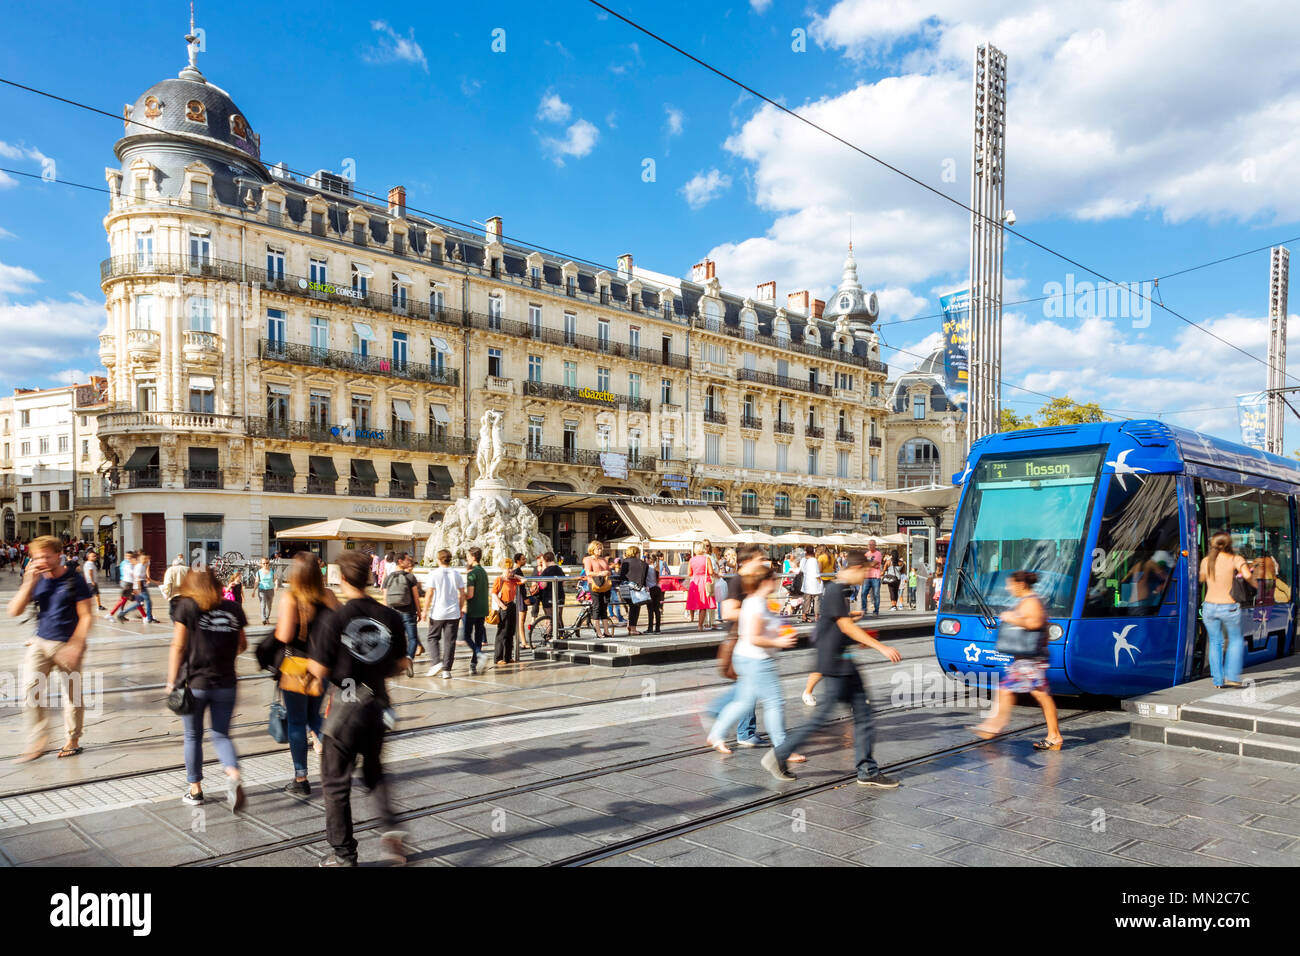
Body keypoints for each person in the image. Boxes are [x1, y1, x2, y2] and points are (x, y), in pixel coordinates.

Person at [307, 549, 410, 867]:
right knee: (375, 772)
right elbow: (401, 664)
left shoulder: (334, 618)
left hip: (343, 711)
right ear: (369, 577)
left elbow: (319, 670)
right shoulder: (390, 617)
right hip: (377, 706)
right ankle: (391, 830)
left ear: (340, 577)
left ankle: (343, 855)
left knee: (336, 784)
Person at [764, 551, 903, 785]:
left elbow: (840, 626)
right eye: (865, 572)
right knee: (822, 719)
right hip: (836, 664)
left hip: (843, 662)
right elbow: (844, 626)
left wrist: (853, 628)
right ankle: (779, 755)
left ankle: (867, 770)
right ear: (856, 569)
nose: (866, 577)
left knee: (864, 715)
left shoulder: (840, 591)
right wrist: (880, 646)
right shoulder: (836, 590)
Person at [8, 536, 94, 762]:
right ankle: (39, 739)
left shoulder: (75, 580)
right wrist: (29, 582)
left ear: (59, 554)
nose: (42, 560)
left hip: (68, 644)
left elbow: (86, 616)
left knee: (72, 694)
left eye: (47, 556)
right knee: (30, 690)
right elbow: (14, 611)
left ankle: (73, 740)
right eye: (37, 557)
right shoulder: (36, 579)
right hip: (39, 642)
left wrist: (76, 645)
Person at [168, 568, 247, 809]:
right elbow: (242, 644)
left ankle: (195, 790)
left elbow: (178, 646)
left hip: (195, 683)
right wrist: (220, 656)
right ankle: (233, 774)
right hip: (226, 683)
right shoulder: (233, 608)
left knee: (193, 736)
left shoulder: (187, 606)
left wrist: (171, 681)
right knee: (221, 735)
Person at [706, 566, 803, 756]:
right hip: (758, 660)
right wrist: (778, 640)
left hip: (746, 657)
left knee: (743, 702)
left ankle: (716, 734)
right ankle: (783, 750)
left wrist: (779, 630)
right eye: (774, 579)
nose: (776, 582)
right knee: (775, 702)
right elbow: (753, 637)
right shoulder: (757, 604)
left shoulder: (756, 601)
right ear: (765, 582)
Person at [971, 570, 1063, 750]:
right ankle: (1053, 736)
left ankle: (994, 726)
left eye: (1010, 584)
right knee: (1036, 695)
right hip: (1027, 659)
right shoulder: (1028, 600)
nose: (1008, 588)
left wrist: (1012, 618)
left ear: (1021, 585)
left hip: (1030, 660)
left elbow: (1035, 623)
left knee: (1011, 690)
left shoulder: (1032, 601)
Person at [272, 552, 338, 795]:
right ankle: (338, 764)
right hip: (322, 666)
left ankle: (301, 779)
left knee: (298, 721)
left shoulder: (292, 597)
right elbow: (340, 624)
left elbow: (285, 636)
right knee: (315, 717)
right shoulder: (328, 595)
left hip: (296, 666)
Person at [1199, 532, 1254, 689]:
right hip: (1228, 606)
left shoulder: (1206, 561)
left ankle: (1218, 681)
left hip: (1209, 607)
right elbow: (1247, 575)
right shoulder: (1235, 559)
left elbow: (1202, 579)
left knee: (1215, 642)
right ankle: (1231, 676)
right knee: (1235, 640)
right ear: (1229, 544)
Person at [422, 548, 465, 678]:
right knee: (450, 641)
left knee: (432, 637)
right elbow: (462, 594)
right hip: (453, 612)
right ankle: (446, 669)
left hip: (438, 612)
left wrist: (424, 610)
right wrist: (460, 608)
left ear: (438, 559)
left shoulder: (434, 574)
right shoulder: (456, 574)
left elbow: (429, 594)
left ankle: (436, 663)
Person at [383, 552, 423, 662]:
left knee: (397, 639)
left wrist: (386, 614)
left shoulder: (388, 578)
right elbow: (416, 597)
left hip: (393, 612)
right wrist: (419, 612)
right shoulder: (410, 577)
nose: (408, 562)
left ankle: (397, 661)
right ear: (400, 561)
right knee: (413, 639)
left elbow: (385, 599)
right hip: (408, 612)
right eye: (406, 560)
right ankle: (409, 659)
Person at [462, 546, 489, 673]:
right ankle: (474, 663)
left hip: (473, 609)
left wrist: (461, 595)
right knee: (478, 637)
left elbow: (470, 594)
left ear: (473, 557)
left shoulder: (472, 574)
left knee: (466, 636)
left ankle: (479, 654)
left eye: (467, 556)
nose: (466, 559)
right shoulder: (483, 572)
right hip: (483, 608)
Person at [583, 541, 614, 640]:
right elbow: (588, 572)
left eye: (601, 548)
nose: (600, 550)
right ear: (593, 549)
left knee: (604, 606)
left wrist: (607, 572)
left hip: (605, 585)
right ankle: (598, 631)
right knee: (596, 607)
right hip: (594, 584)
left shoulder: (603, 559)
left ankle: (606, 630)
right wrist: (600, 573)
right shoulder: (588, 559)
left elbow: (609, 571)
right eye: (598, 549)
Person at [619, 545, 650, 636]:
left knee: (630, 607)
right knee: (635, 608)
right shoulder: (643, 564)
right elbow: (643, 578)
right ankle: (633, 629)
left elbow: (621, 576)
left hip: (625, 589)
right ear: (637, 553)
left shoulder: (624, 562)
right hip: (637, 589)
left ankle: (630, 624)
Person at [534, 551, 567, 634]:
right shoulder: (559, 569)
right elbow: (564, 583)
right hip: (560, 594)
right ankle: (561, 634)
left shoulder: (546, 571)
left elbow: (544, 585)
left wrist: (539, 585)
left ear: (545, 560)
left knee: (550, 618)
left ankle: (548, 635)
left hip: (548, 596)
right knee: (559, 617)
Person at [686, 542, 715, 632]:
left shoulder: (691, 560)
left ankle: (691, 617)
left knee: (693, 600)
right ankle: (700, 626)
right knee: (703, 606)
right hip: (704, 581)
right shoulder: (707, 559)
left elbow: (689, 573)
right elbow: (710, 572)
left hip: (694, 581)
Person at [799, 545, 823, 623]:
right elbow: (817, 573)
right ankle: (817, 616)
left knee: (806, 600)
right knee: (817, 599)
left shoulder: (803, 560)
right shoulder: (813, 560)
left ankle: (804, 616)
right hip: (814, 583)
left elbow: (802, 569)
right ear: (813, 551)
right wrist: (820, 581)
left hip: (807, 583)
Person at [862, 539, 883, 616]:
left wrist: (869, 564)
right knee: (863, 593)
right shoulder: (866, 554)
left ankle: (876, 610)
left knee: (876, 594)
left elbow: (876, 564)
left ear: (875, 546)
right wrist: (872, 564)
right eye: (869, 545)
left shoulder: (878, 554)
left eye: (871, 545)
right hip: (867, 576)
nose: (870, 546)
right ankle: (864, 609)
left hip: (875, 577)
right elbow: (864, 564)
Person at [644, 551, 664, 634]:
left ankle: (650, 628)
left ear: (649, 559)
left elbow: (644, 579)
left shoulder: (647, 568)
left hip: (650, 589)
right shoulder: (657, 567)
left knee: (650, 610)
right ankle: (658, 628)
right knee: (657, 610)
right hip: (658, 589)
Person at [256, 557, 277, 625]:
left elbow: (275, 579)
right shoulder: (258, 572)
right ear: (261, 564)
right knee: (263, 604)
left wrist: (276, 585)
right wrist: (253, 591)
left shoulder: (272, 571)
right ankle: (263, 619)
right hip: (261, 590)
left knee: (269, 606)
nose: (265, 564)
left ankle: (267, 618)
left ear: (269, 563)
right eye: (264, 563)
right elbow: (256, 581)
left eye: (267, 563)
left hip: (270, 590)